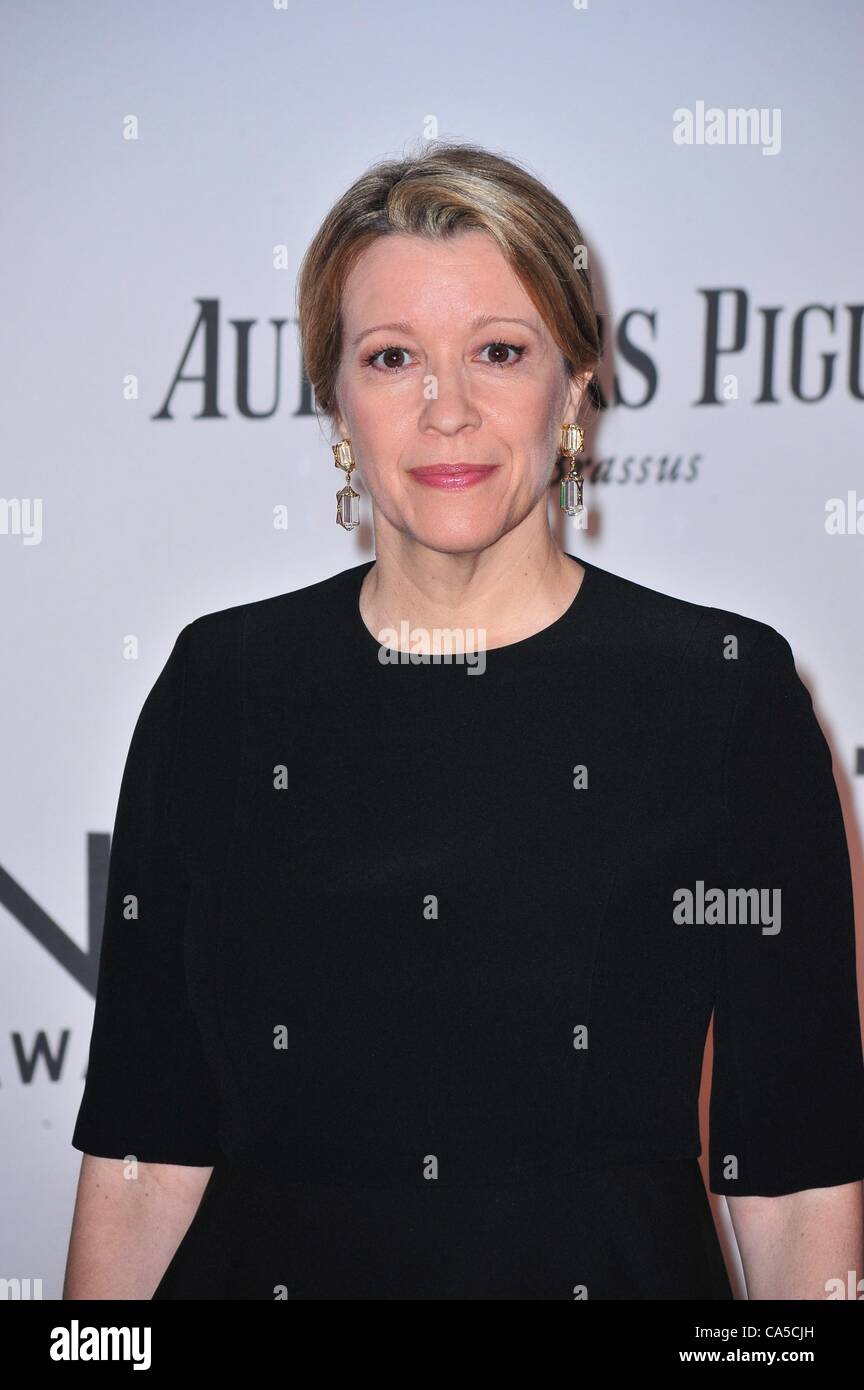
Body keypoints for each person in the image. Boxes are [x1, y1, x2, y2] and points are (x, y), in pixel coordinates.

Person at [64, 141, 864, 1300]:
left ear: (578, 385)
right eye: (393, 358)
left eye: (499, 351)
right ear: (336, 397)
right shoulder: (221, 689)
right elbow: (143, 1156)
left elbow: (793, 1188)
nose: (449, 410)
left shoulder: (727, 692)